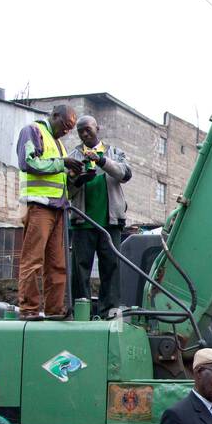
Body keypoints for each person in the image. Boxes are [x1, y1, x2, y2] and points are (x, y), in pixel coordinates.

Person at [17, 104, 84, 320]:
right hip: (39, 206)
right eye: (65, 126)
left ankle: (55, 311)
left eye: (69, 129)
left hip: (58, 209)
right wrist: (62, 163)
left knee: (57, 264)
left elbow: (59, 177)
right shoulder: (33, 131)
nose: (66, 131)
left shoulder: (59, 145)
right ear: (54, 116)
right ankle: (29, 310)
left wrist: (76, 176)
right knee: (33, 259)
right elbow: (28, 162)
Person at [67, 115, 132, 318]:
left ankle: (109, 312)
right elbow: (66, 190)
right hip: (82, 222)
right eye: (80, 131)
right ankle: (81, 312)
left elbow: (125, 174)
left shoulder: (114, 153)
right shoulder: (73, 156)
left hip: (110, 222)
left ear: (98, 128)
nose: (85, 134)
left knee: (111, 267)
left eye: (88, 129)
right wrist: (78, 180)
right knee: (80, 269)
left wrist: (101, 160)